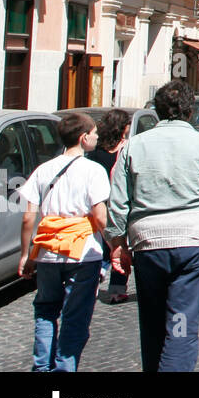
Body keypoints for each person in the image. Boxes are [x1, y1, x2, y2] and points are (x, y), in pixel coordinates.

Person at [105, 80, 199, 372]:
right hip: (192, 245)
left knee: (152, 322)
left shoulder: (134, 147)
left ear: (156, 110)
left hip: (148, 245)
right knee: (181, 324)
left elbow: (117, 201)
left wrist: (117, 243)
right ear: (190, 112)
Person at [17, 113, 111, 372]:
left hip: (47, 250)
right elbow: (100, 217)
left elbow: (28, 218)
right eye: (94, 133)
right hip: (83, 252)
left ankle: (41, 367)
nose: (97, 137)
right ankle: (64, 368)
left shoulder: (43, 170)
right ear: (83, 138)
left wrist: (26, 254)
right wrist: (114, 246)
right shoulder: (94, 170)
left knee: (46, 309)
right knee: (75, 316)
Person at [89, 109, 132, 303]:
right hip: (120, 202)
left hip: (99, 202)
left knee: (103, 242)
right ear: (124, 128)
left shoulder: (96, 150)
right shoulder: (126, 148)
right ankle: (117, 290)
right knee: (120, 244)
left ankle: (98, 272)